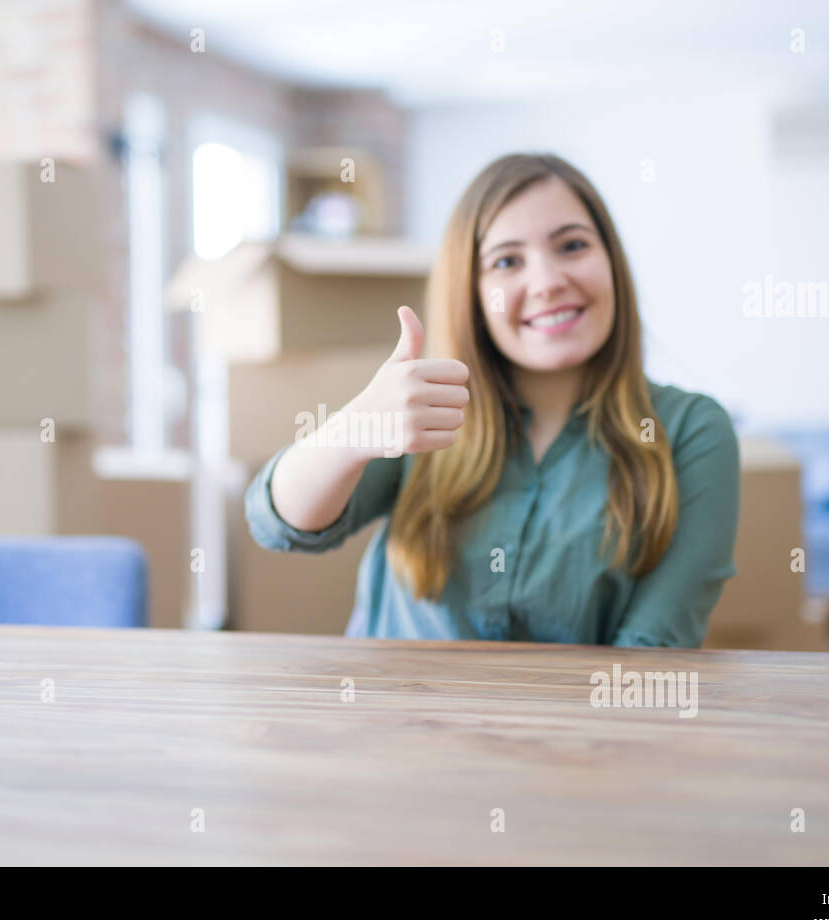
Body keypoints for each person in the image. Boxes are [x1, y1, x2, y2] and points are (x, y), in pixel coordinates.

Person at [245, 152, 739, 645]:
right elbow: (279, 524)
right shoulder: (425, 407)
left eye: (572, 246)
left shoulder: (690, 430)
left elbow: (652, 652)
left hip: (581, 724)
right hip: (392, 717)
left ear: (612, 262)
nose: (547, 282)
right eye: (507, 261)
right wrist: (355, 430)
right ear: (473, 295)